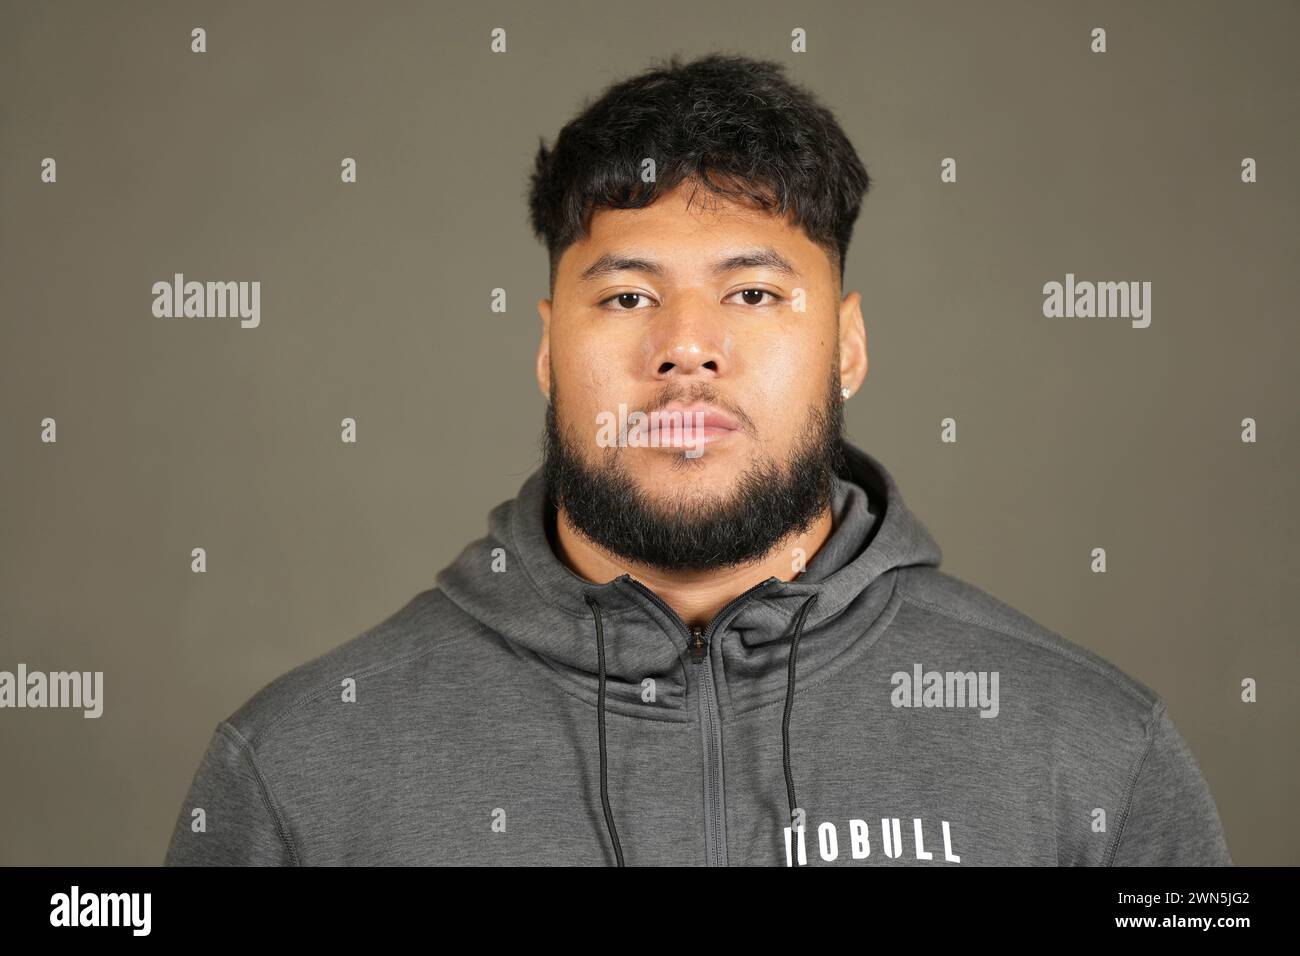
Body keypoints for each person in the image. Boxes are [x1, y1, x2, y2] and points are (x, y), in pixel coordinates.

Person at [165, 52, 1231, 866]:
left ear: (848, 343)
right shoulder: (299, 767)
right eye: (627, 294)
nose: (685, 343)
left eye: (753, 293)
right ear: (545, 344)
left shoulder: (1099, 754)